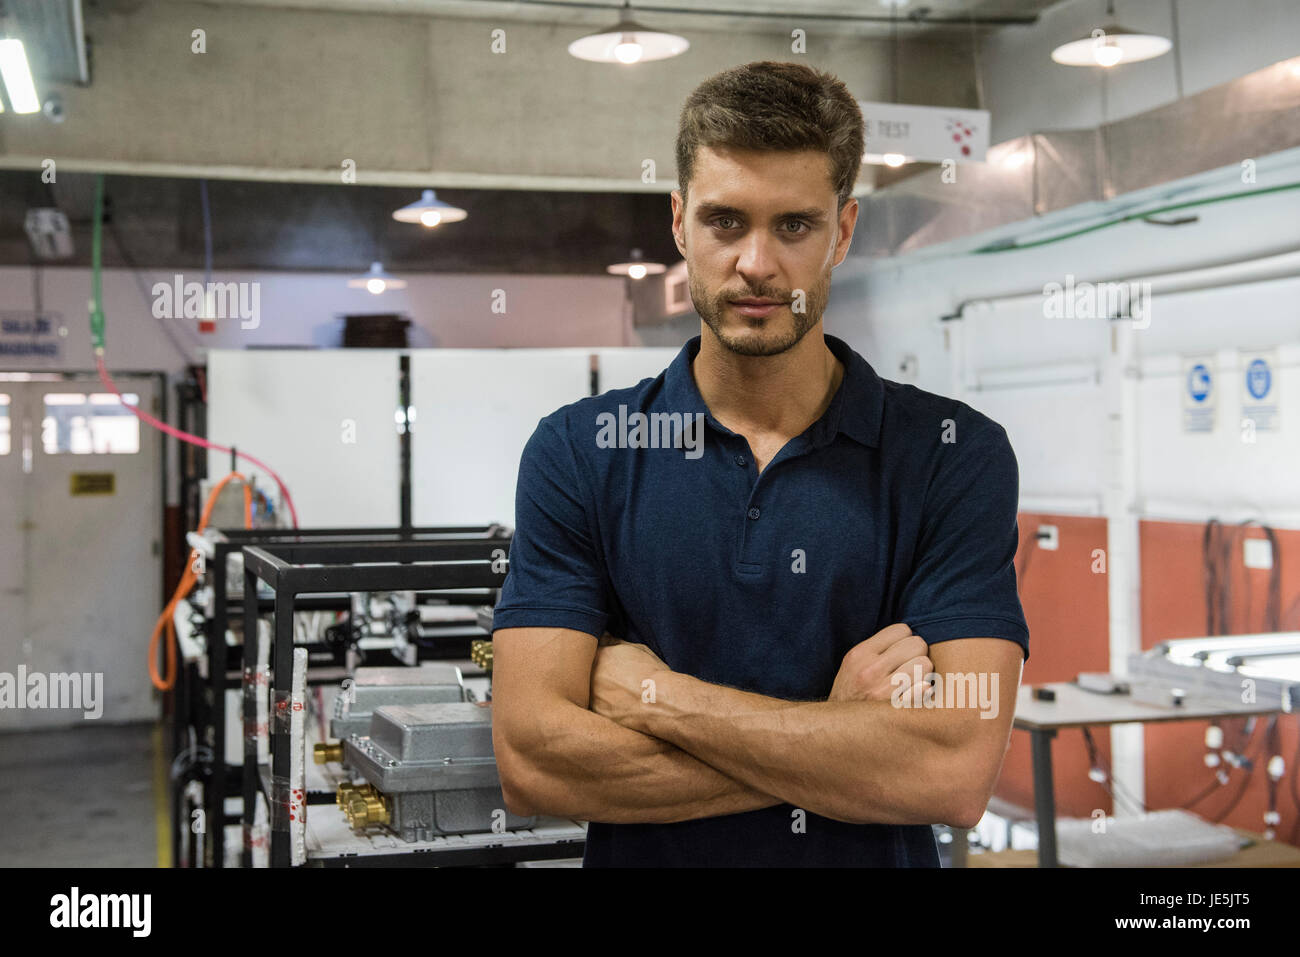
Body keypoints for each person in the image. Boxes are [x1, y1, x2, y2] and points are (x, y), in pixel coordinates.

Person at [491, 60, 1028, 867]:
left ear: (842, 231)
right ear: (679, 223)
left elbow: (951, 771)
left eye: (795, 226)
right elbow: (533, 762)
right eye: (725, 221)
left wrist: (659, 698)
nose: (756, 263)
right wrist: (843, 731)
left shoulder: (953, 456)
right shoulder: (579, 452)